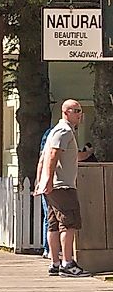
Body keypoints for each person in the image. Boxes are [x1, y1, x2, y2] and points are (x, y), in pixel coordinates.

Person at [35, 100, 88, 277]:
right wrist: (48, 180)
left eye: (80, 111)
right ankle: (67, 263)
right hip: (62, 186)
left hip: (53, 186)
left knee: (54, 225)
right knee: (68, 223)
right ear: (66, 112)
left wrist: (40, 181)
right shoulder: (63, 131)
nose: (80, 114)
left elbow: (43, 157)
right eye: (76, 110)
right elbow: (51, 155)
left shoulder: (55, 131)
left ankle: (55, 263)